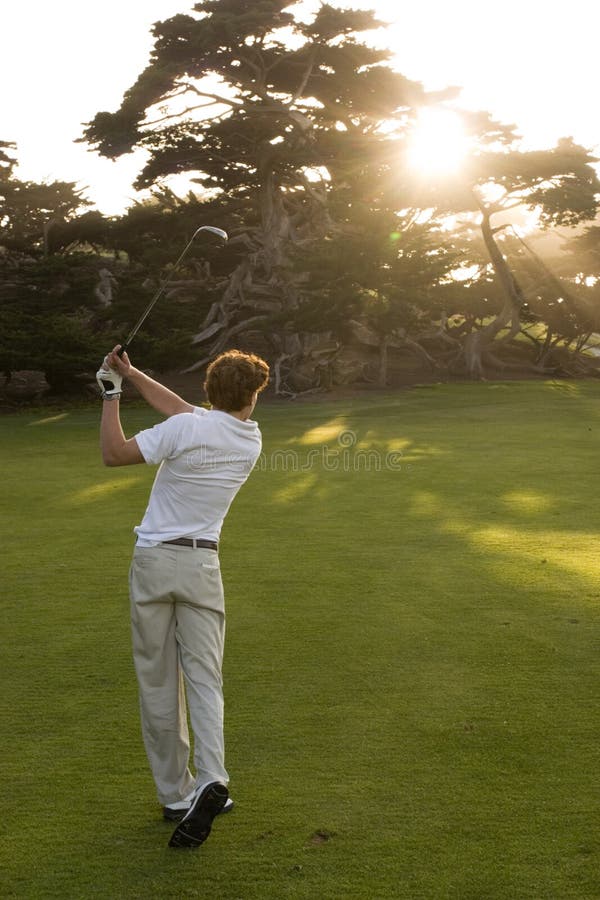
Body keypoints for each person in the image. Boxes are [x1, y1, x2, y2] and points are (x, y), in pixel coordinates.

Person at [97, 345, 269, 849]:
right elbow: (183, 413)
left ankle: (176, 796)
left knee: (158, 682)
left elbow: (114, 453)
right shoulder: (249, 439)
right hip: (201, 567)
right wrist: (133, 372)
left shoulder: (186, 429)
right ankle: (213, 780)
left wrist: (112, 393)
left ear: (209, 391)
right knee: (204, 678)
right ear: (251, 398)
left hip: (153, 563)